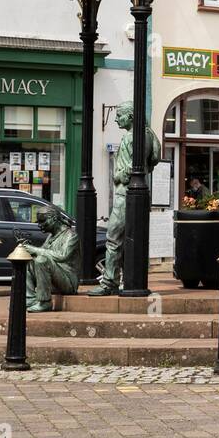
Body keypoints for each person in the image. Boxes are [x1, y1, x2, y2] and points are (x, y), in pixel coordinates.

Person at [89, 101, 161, 296]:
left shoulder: (131, 138)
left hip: (125, 193)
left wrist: (118, 175)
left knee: (113, 238)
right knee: (132, 240)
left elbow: (131, 168)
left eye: (119, 115)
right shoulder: (149, 135)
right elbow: (154, 159)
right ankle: (128, 280)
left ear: (130, 117)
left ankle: (109, 282)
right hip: (140, 193)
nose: (116, 118)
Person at [22, 209, 80, 313]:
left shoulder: (71, 236)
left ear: (53, 219)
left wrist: (35, 250)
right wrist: (29, 249)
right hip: (54, 280)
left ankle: (45, 302)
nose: (40, 225)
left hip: (68, 283)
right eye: (38, 222)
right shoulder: (51, 236)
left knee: (41, 260)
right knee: (28, 259)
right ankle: (30, 299)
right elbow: (43, 252)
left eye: (42, 221)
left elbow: (62, 256)